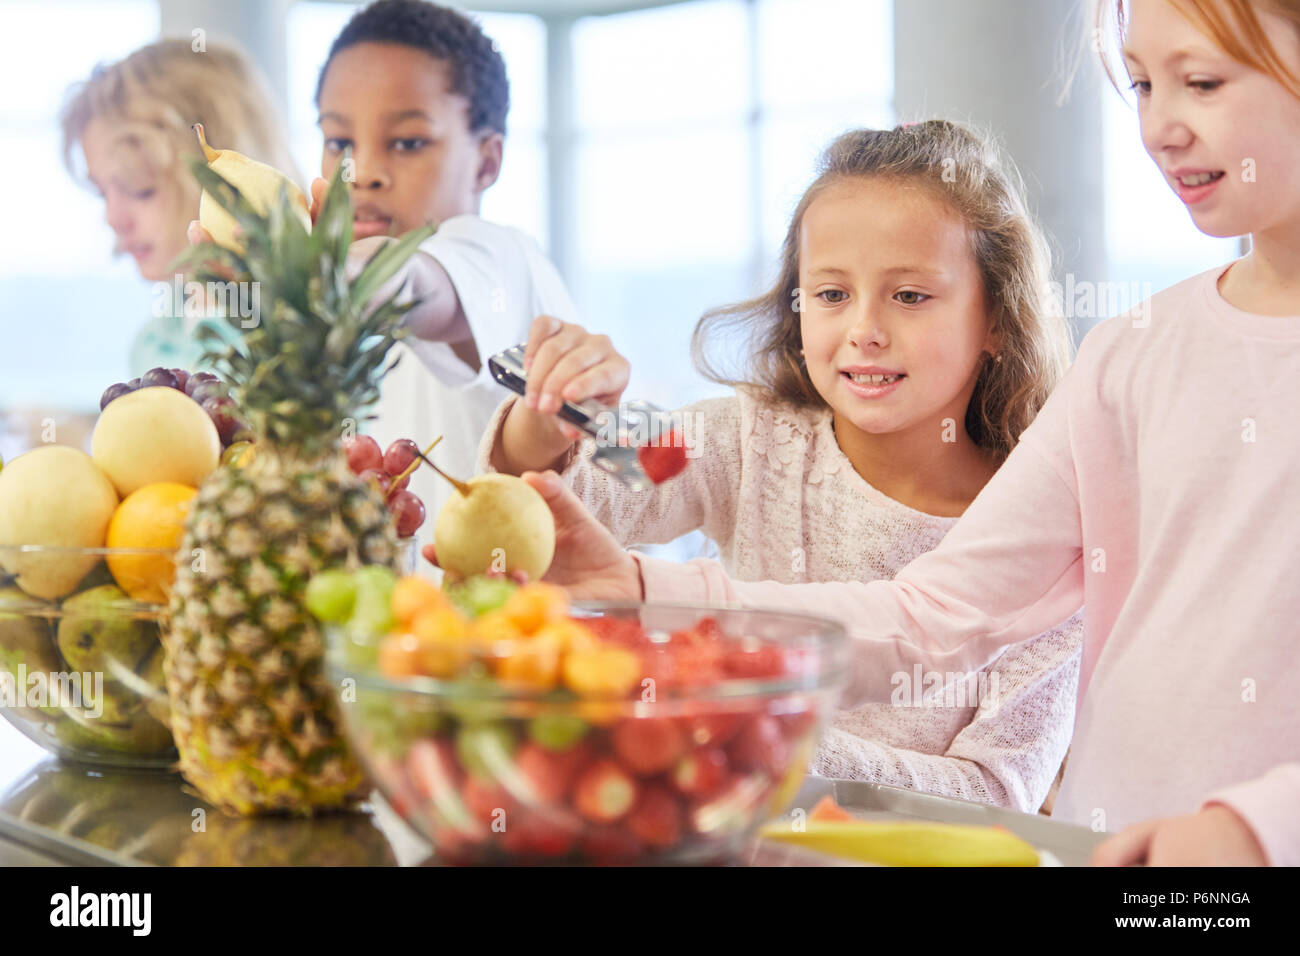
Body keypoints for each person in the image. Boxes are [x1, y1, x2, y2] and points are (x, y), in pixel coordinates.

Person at [512, 0, 1300, 866]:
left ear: (996, 317)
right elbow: (931, 617)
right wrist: (565, 482)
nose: (1159, 127)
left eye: (1201, 82)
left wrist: (1257, 827)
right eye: (1144, 84)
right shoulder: (1128, 354)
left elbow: (994, 784)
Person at [474, 122, 1083, 813]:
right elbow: (556, 522)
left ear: (997, 319)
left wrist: (756, 730)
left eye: (909, 296)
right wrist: (539, 433)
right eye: (830, 295)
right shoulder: (745, 436)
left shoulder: (1046, 538)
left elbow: (997, 793)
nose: (865, 329)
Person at [303, 0, 578, 529]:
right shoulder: (338, 330)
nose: (361, 174)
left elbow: (411, 282)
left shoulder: (499, 257)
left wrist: (332, 274)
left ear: (487, 160)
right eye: (339, 141)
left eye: (407, 142)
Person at [61, 37, 299, 377]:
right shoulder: (153, 345)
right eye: (102, 193)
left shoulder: (300, 347)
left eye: (139, 188)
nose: (112, 218)